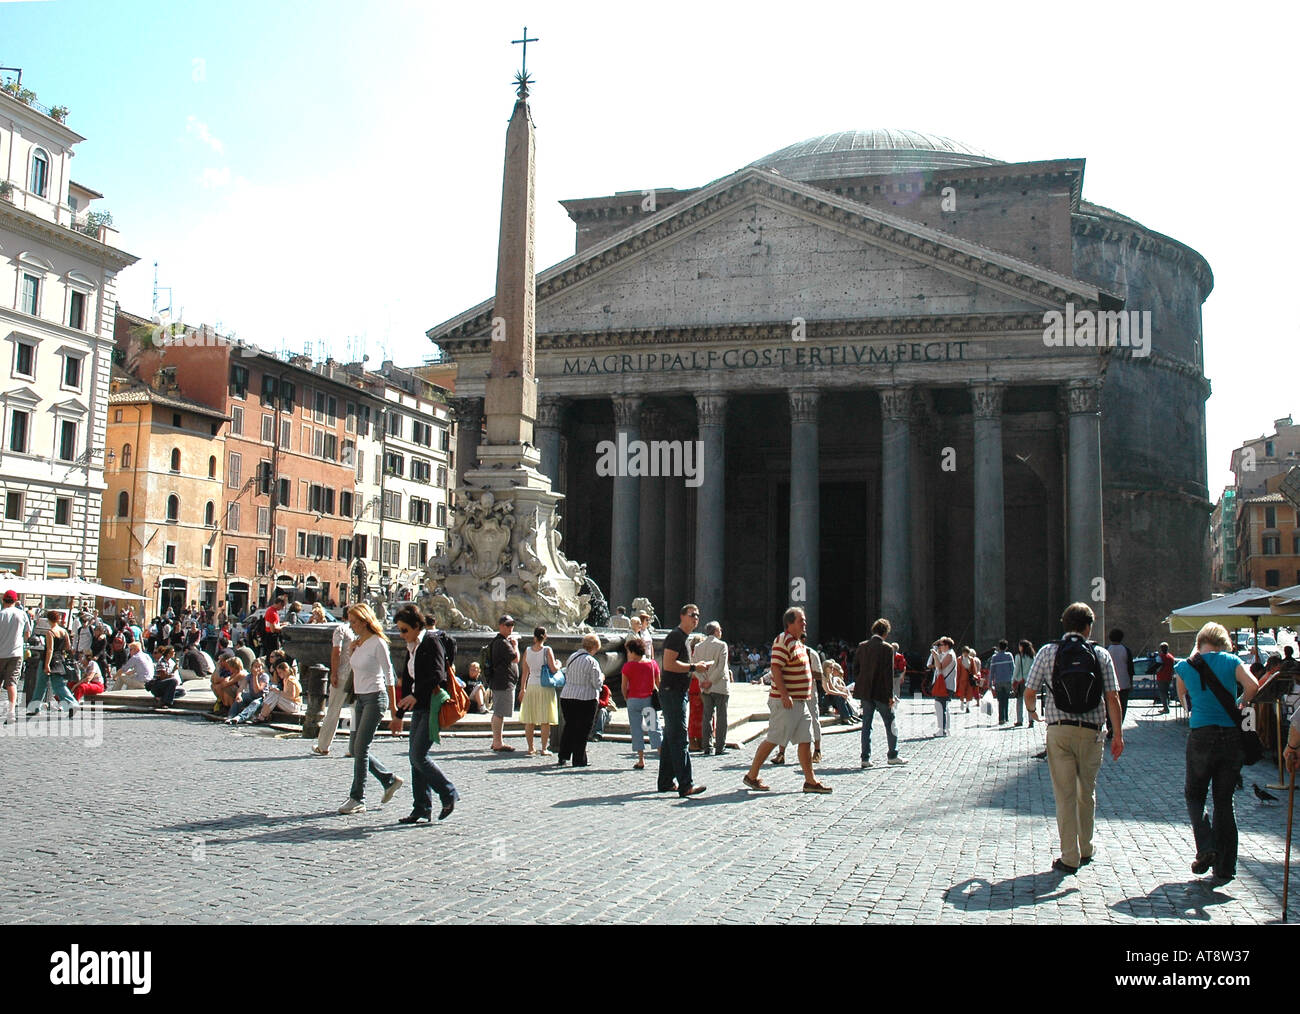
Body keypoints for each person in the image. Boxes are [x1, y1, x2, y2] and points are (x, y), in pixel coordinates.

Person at [1023, 602, 1125, 874]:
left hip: (1059, 729)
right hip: (1092, 732)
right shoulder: (1100, 654)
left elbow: (1029, 692)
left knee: (1064, 795)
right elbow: (1112, 697)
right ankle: (1087, 847)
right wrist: (1118, 735)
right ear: (1088, 626)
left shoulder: (1047, 652)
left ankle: (1069, 856)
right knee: (1086, 792)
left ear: (1064, 624)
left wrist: (1034, 714)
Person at [1174, 622, 1261, 884]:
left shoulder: (1185, 666)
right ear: (1223, 641)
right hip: (1231, 738)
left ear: (1200, 641)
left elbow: (1184, 700)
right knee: (1224, 801)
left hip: (1201, 734)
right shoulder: (1231, 660)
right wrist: (1239, 703)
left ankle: (1206, 846)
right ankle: (1225, 867)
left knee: (1194, 794)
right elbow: (1253, 686)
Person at [742, 607, 831, 794]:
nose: (805, 623)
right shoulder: (783, 640)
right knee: (774, 738)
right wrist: (784, 694)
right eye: (801, 621)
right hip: (786, 702)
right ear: (790, 623)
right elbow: (776, 668)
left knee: (805, 739)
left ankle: (810, 780)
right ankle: (752, 775)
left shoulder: (797, 642)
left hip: (800, 702)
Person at [391, 604, 457, 823]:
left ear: (416, 626)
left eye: (404, 630)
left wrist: (417, 696)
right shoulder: (412, 646)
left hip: (431, 705)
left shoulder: (430, 642)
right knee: (414, 758)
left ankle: (448, 792)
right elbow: (407, 680)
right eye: (399, 630)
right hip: (419, 706)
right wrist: (399, 714)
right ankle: (421, 807)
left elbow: (438, 676)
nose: (401, 635)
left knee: (418, 755)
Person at [336, 603, 403, 815]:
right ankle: (389, 780)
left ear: (365, 621)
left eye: (354, 622)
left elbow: (389, 675)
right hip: (359, 701)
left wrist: (394, 709)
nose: (352, 625)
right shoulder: (360, 643)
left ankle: (357, 798)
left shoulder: (378, 643)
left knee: (362, 747)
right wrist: (352, 649)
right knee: (355, 748)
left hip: (375, 699)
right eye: (350, 622)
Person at [659, 604, 709, 798]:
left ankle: (665, 781)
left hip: (677, 691)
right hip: (673, 692)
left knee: (671, 737)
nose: (695, 618)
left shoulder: (684, 638)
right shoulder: (676, 636)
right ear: (682, 616)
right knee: (680, 738)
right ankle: (686, 784)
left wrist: (695, 669)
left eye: (698, 615)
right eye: (692, 615)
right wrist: (694, 667)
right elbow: (669, 664)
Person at [853, 618, 907, 768]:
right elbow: (887, 675)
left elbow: (856, 669)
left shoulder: (862, 646)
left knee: (866, 725)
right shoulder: (887, 648)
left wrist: (862, 683)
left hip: (865, 693)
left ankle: (865, 758)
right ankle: (892, 755)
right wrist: (890, 696)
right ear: (886, 632)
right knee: (890, 723)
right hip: (881, 693)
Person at [556, 633, 605, 768]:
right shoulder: (592, 661)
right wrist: (602, 678)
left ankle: (563, 756)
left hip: (567, 696)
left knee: (570, 727)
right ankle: (579, 759)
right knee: (583, 729)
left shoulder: (572, 657)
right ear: (594, 647)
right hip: (586, 698)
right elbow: (597, 683)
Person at [313, 616, 357, 757]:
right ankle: (353, 747)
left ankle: (323, 745)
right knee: (355, 712)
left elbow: (336, 651)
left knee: (333, 709)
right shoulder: (361, 632)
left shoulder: (340, 629)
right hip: (357, 675)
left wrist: (334, 673)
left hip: (343, 675)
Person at [518, 626, 560, 757]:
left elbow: (525, 671)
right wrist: (559, 664)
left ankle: (530, 748)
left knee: (529, 718)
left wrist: (522, 688)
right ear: (545, 636)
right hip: (545, 686)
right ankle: (543, 748)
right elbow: (553, 669)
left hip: (531, 685)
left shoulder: (527, 650)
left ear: (534, 637)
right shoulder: (547, 650)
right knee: (545, 719)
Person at [28, 611, 79, 716]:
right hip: (59, 659)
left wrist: (46, 664)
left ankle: (72, 703)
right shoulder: (63, 631)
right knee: (52, 684)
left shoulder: (50, 632)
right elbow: (68, 647)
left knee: (45, 685)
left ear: (48, 620)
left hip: (48, 660)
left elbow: (49, 649)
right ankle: (35, 707)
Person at [622, 638, 661, 769]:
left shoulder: (627, 666)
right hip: (648, 700)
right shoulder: (652, 664)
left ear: (633, 651)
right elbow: (658, 683)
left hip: (633, 700)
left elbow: (624, 686)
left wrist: (626, 698)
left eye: (628, 651)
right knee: (653, 728)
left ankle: (641, 759)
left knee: (636, 730)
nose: (628, 654)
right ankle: (662, 755)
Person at [693, 621, 730, 756]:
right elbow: (721, 667)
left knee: (707, 716)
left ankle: (707, 746)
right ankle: (720, 746)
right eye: (720, 630)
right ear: (715, 631)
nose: (721, 632)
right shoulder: (722, 645)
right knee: (721, 717)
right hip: (719, 685)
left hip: (705, 687)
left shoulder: (698, 646)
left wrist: (704, 681)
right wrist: (711, 681)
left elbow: (695, 666)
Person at [486, 615, 520, 752]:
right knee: (499, 712)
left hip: (502, 681)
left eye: (512, 624)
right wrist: (516, 646)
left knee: (499, 712)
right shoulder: (502, 643)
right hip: (503, 682)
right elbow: (516, 658)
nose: (510, 627)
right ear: (500, 626)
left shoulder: (499, 641)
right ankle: (498, 742)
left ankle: (497, 740)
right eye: (508, 625)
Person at [0, 590, 31, 723]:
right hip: (16, 653)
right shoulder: (22, 614)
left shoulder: (1, 614)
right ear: (16, 600)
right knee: (12, 683)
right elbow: (28, 634)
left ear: (3, 600)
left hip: (1, 652)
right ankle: (11, 712)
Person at [1105, 628, 1135, 740]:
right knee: (1122, 706)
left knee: (1108, 707)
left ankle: (1109, 726)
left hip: (1109, 683)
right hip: (1124, 683)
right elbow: (1130, 669)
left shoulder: (1106, 650)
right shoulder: (1126, 650)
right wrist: (1131, 682)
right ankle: (1117, 726)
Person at [927, 637, 957, 736]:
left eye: (941, 645)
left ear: (947, 646)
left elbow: (939, 667)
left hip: (945, 685)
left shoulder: (949, 655)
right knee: (944, 707)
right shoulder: (947, 654)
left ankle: (941, 730)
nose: (940, 647)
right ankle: (946, 729)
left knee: (939, 706)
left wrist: (935, 656)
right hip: (947, 684)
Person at [821, 659, 859, 724]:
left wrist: (842, 694)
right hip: (823, 699)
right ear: (825, 668)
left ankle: (849, 716)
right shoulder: (823, 677)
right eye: (831, 667)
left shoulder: (829, 676)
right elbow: (828, 690)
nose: (832, 669)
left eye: (833, 667)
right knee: (839, 697)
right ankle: (846, 718)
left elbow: (833, 688)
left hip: (829, 697)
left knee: (841, 697)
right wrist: (841, 693)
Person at [988, 640, 1015, 725]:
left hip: (998, 681)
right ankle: (1006, 717)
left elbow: (992, 671)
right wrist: (1013, 680)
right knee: (1006, 699)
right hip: (1007, 681)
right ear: (1006, 647)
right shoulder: (1009, 655)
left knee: (1000, 700)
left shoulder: (994, 657)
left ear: (999, 647)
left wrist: (990, 682)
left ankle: (1001, 718)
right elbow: (1013, 669)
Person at [1013, 639, 1035, 727]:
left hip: (1021, 681)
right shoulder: (1032, 657)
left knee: (1019, 701)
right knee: (1030, 701)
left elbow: (1016, 669)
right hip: (1031, 681)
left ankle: (1019, 720)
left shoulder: (1019, 657)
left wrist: (1013, 680)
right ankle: (1031, 720)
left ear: (1022, 647)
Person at [1154, 641, 1177, 713]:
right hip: (1169, 677)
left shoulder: (1160, 657)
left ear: (1161, 649)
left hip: (1161, 677)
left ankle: (1165, 708)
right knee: (1167, 692)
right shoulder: (1171, 657)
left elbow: (1158, 668)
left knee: (1162, 693)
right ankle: (1168, 704)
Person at [956, 645, 980, 712]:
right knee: (962, 693)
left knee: (969, 693)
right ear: (963, 652)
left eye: (967, 652)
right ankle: (961, 703)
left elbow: (974, 669)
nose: (966, 654)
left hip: (969, 679)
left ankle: (967, 706)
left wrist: (975, 676)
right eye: (965, 652)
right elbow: (958, 670)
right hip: (962, 679)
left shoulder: (971, 659)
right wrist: (957, 679)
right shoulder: (959, 659)